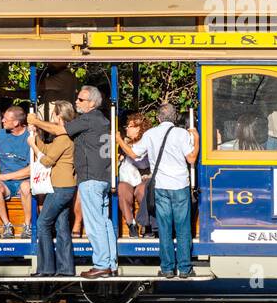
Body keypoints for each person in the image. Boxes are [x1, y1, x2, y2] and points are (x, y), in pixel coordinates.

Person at [31, 85, 116, 278]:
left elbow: (60, 130)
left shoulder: (88, 119)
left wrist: (35, 121)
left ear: (92, 103)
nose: (76, 102)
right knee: (104, 222)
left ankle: (102, 264)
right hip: (103, 177)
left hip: (90, 178)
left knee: (95, 224)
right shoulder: (102, 120)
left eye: (81, 99)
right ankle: (110, 262)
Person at [126, 103, 199, 279]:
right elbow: (191, 158)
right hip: (180, 185)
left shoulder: (150, 134)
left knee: (164, 228)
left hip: (160, 186)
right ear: (175, 119)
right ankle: (185, 268)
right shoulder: (182, 134)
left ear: (158, 118)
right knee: (183, 228)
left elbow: (134, 154)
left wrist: (119, 140)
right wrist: (196, 138)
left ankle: (167, 268)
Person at [31, 101, 77, 276]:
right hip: (64, 186)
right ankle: (65, 268)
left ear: (58, 116)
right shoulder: (63, 137)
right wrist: (35, 138)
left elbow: (46, 160)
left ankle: (46, 268)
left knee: (43, 223)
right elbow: (48, 149)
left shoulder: (64, 138)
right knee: (62, 226)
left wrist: (33, 146)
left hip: (60, 187)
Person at [0, 106, 33, 239]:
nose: (2, 121)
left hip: (24, 181)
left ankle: (27, 225)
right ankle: (6, 225)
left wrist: (5, 176)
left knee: (26, 187)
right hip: (5, 184)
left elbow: (31, 169)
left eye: (6, 119)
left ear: (16, 123)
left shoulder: (30, 137)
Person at [117, 113, 151, 238]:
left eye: (130, 126)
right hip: (128, 179)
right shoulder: (126, 142)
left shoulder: (146, 142)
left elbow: (135, 155)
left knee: (142, 191)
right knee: (122, 189)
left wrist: (119, 140)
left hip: (144, 178)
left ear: (139, 128)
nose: (127, 128)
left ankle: (147, 224)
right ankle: (131, 224)